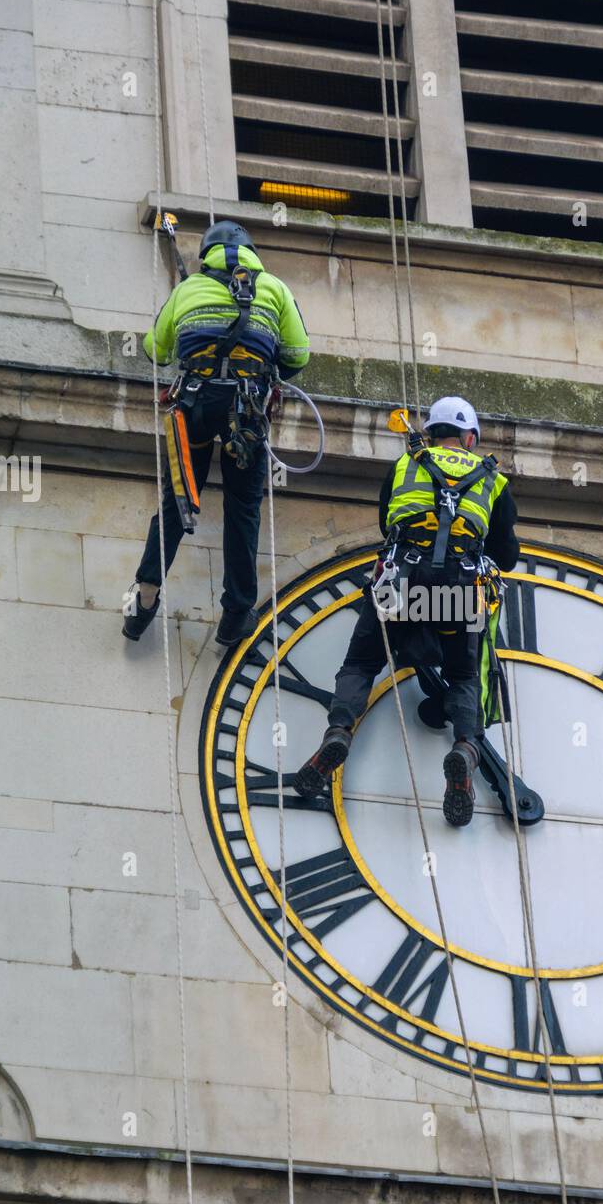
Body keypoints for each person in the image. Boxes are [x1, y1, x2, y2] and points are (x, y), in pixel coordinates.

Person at [295, 396, 520, 826]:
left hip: (401, 582)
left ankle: (339, 732)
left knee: (361, 662)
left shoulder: (404, 465)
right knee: (466, 674)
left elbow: (387, 523)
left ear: (431, 432)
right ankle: (466, 749)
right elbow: (506, 555)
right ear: (470, 438)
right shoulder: (494, 481)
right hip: (457, 589)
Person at [123, 220, 310, 647]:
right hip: (246, 410)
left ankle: (146, 594)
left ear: (206, 254)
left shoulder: (186, 291)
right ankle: (237, 611)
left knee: (177, 499)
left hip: (195, 405)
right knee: (242, 507)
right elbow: (298, 354)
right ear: (251, 252)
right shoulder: (276, 289)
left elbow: (157, 350)